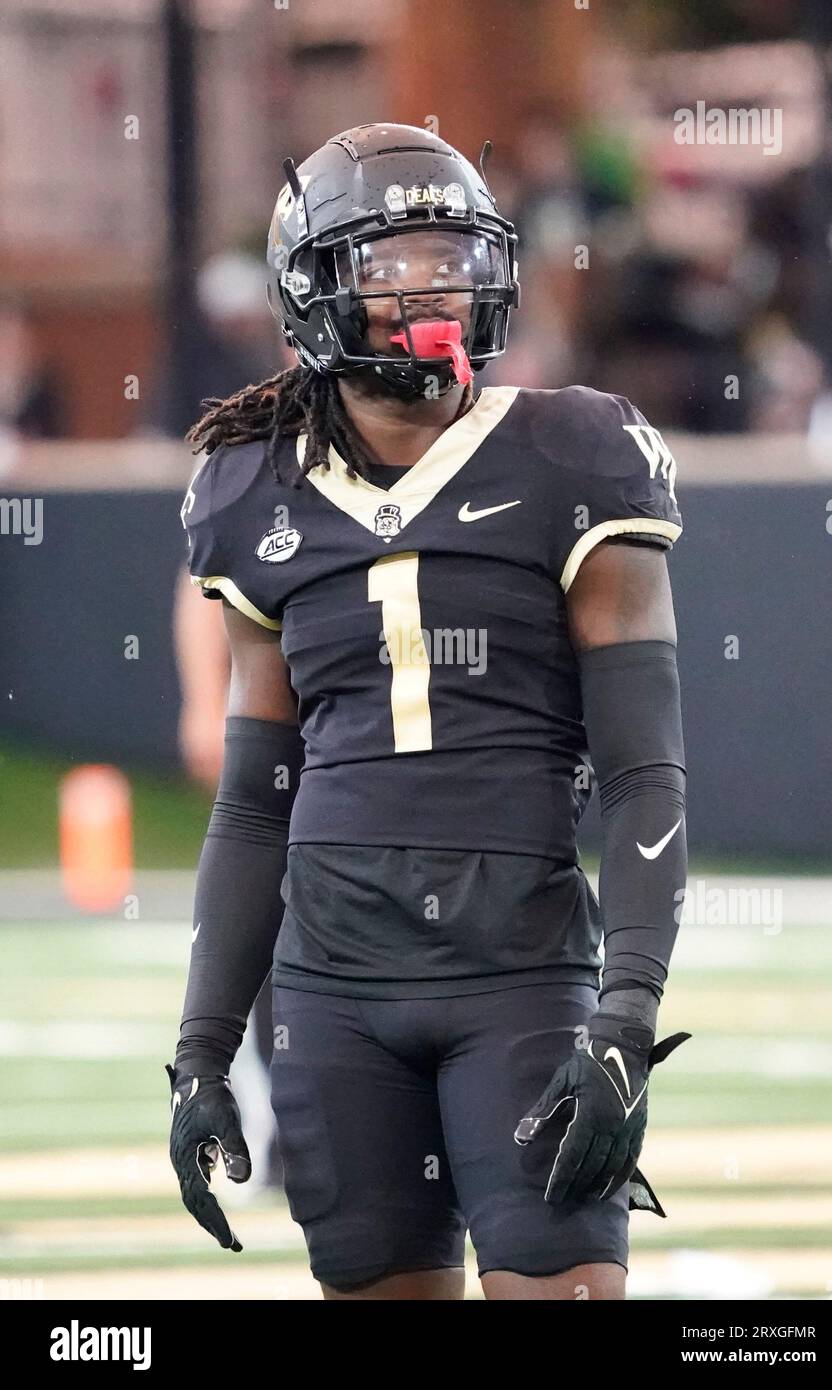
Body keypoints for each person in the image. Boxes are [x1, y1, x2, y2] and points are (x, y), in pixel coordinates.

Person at [166, 123, 689, 1302]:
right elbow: (256, 802)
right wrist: (201, 1052)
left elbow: (644, 771)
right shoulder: (252, 487)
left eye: (452, 254)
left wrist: (624, 1014)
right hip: (331, 991)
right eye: (393, 261)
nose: (435, 284)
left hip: (519, 972)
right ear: (315, 291)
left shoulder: (577, 453)